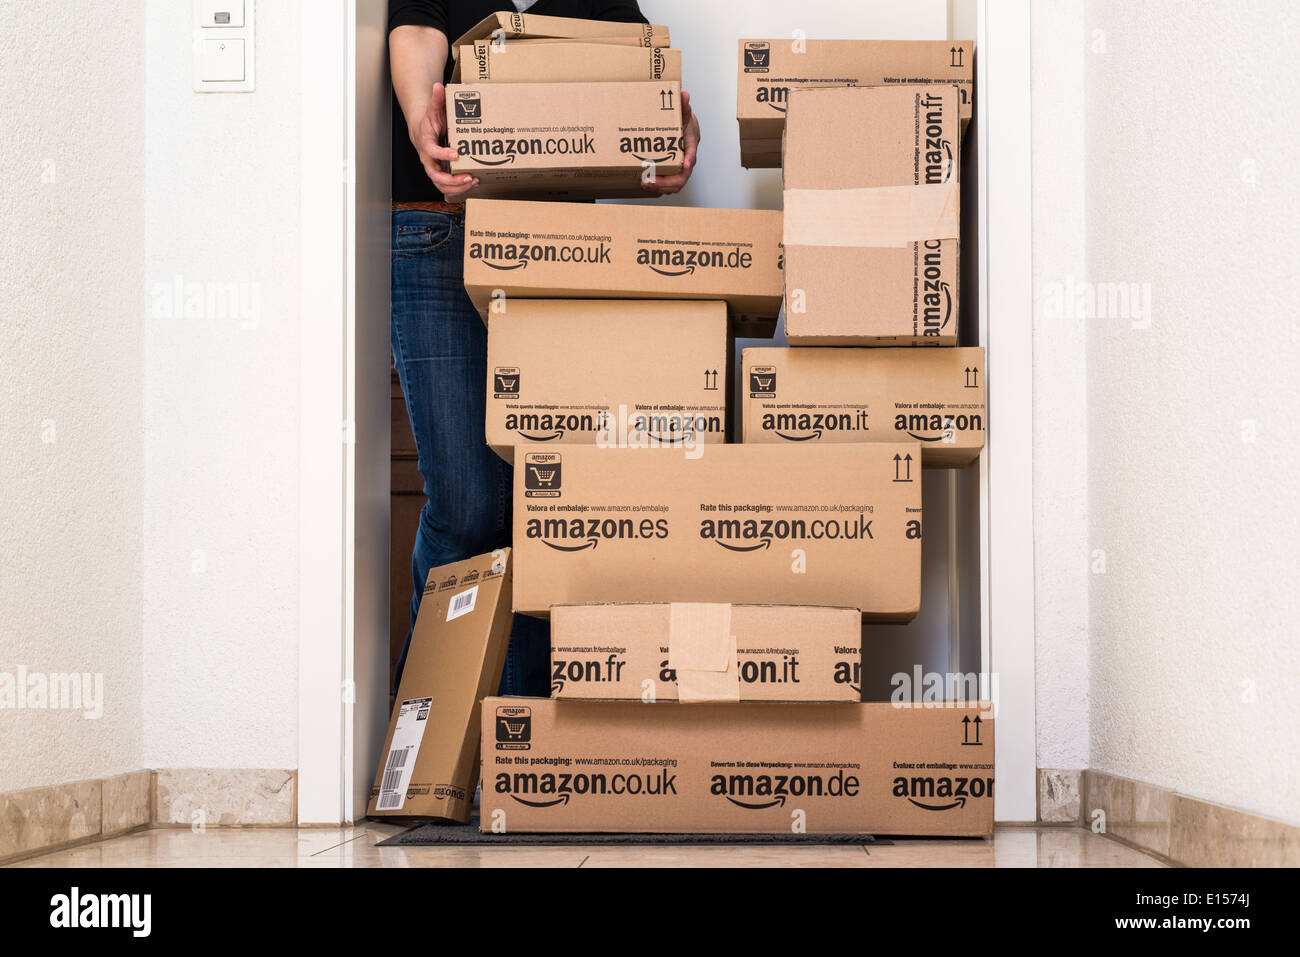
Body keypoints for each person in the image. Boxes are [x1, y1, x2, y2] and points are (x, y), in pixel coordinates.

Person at [387, 1, 702, 696]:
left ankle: (522, 748)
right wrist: (419, 119)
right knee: (468, 505)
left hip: (549, 248)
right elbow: (414, 31)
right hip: (438, 236)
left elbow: (642, 76)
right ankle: (429, 734)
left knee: (545, 506)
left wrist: (674, 133)